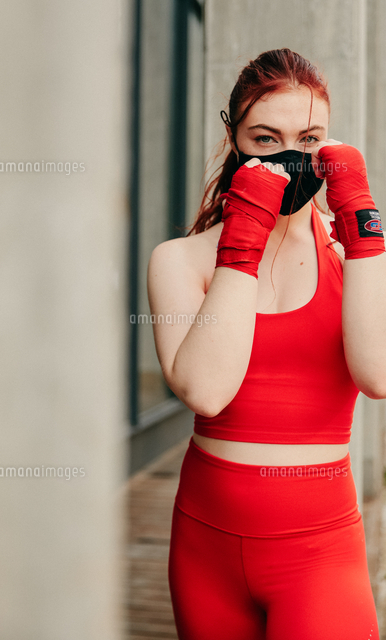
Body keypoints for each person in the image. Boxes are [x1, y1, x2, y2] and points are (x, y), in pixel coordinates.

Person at [147, 48, 386, 640]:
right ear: (233, 138)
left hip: (319, 551)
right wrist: (243, 240)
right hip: (206, 544)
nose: (289, 157)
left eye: (308, 139)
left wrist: (364, 236)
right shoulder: (179, 260)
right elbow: (206, 391)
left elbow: (378, 375)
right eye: (265, 137)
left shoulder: (349, 254)